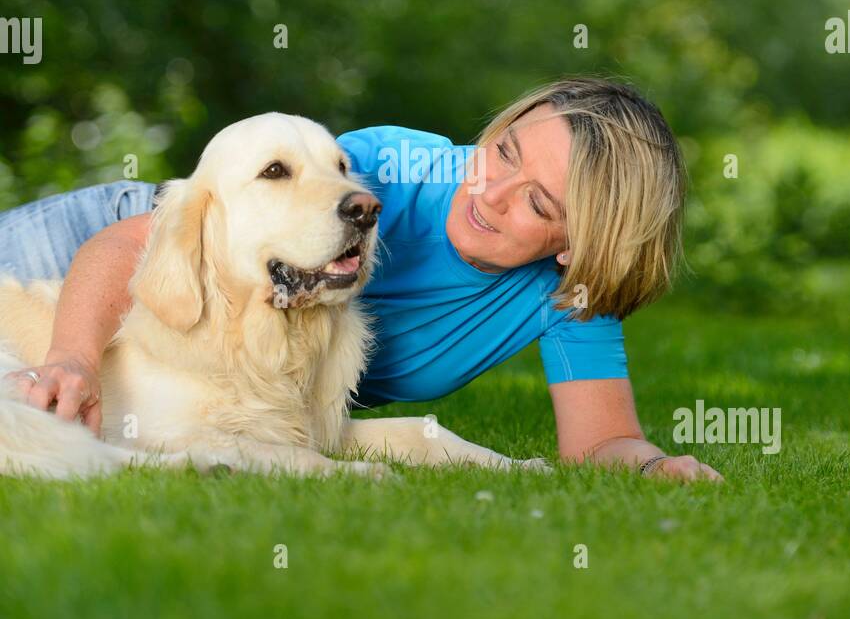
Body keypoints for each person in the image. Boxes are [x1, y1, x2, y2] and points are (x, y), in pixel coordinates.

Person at [0, 76, 722, 483]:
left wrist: (658, 467)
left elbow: (599, 445)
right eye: (501, 151)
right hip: (131, 239)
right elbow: (144, 241)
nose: (488, 192)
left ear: (578, 247)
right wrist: (69, 355)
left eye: (536, 202)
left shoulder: (569, 298)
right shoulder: (387, 172)